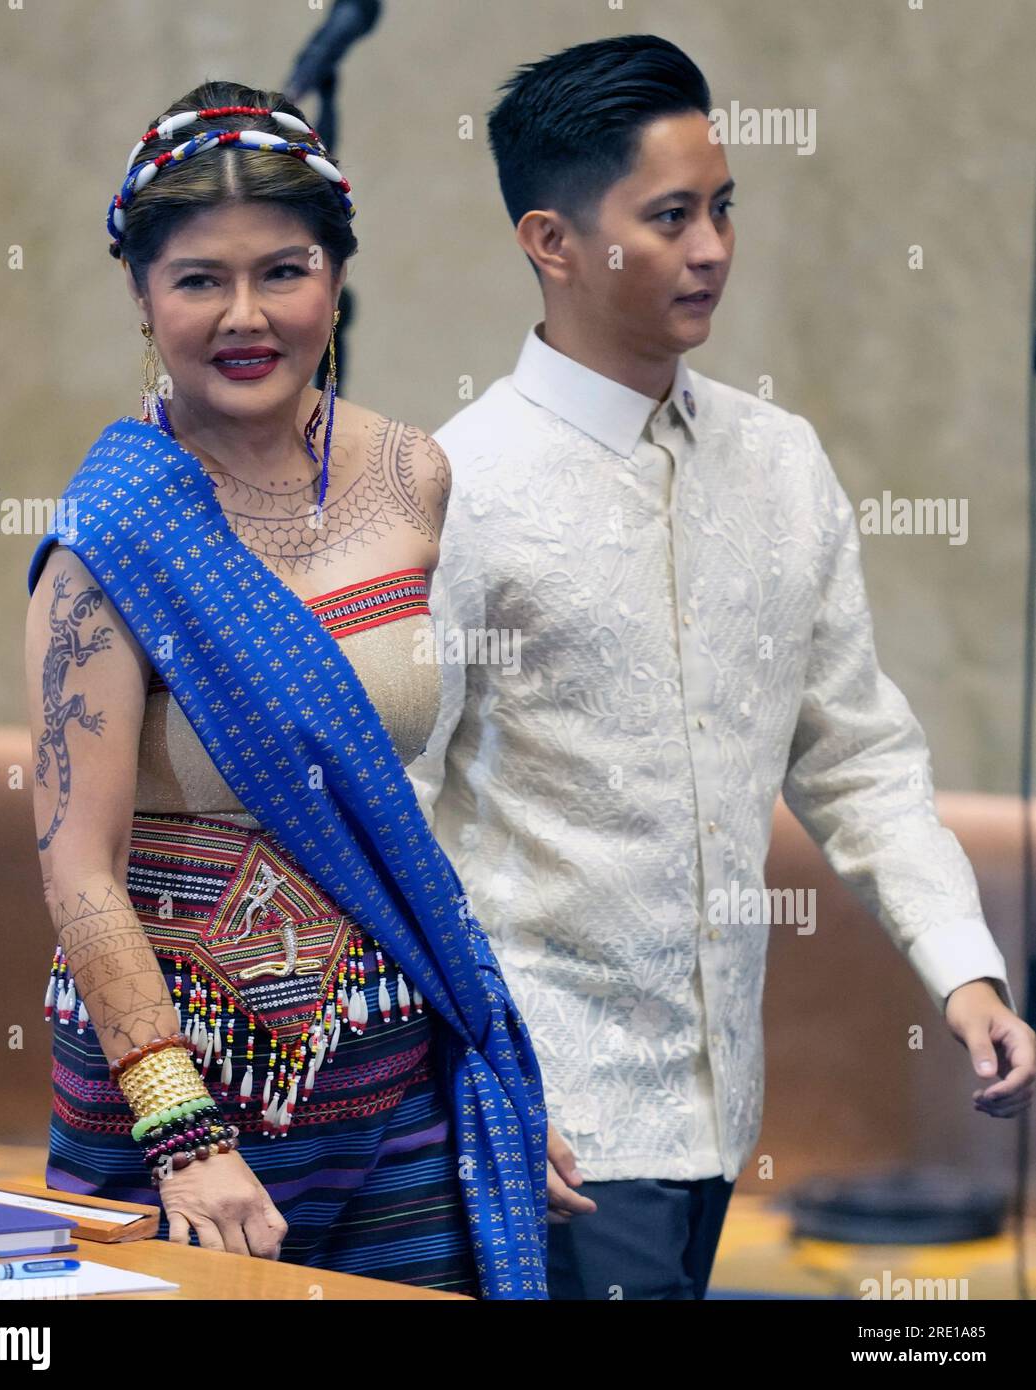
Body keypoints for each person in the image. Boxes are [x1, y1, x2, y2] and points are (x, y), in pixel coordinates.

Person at [405, 34, 1035, 1300]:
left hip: (722, 1111)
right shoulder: (454, 485)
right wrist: (463, 1088)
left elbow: (857, 753)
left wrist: (964, 970)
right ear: (552, 239)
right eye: (672, 215)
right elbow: (394, 817)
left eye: (725, 207)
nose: (711, 249)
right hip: (554, 1121)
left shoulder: (783, 463)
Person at [23, 80, 549, 1299]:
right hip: (174, 1108)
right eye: (200, 278)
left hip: (399, 1078)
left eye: (285, 270)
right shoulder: (115, 534)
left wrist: (494, 1075)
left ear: (338, 275)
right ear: (143, 298)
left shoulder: (417, 474)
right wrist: (186, 1137)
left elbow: (400, 798)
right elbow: (76, 867)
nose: (245, 315)